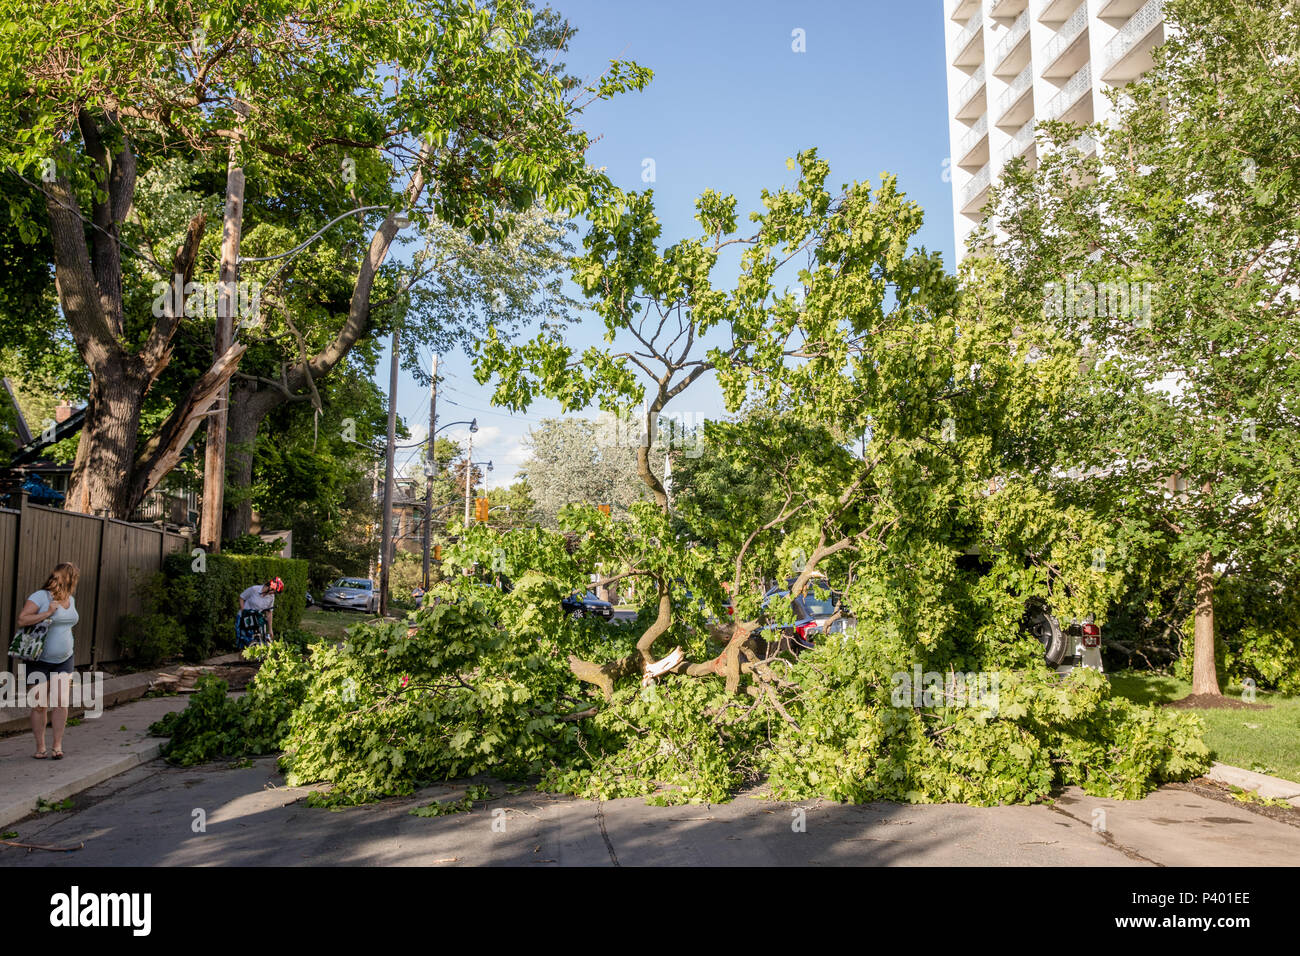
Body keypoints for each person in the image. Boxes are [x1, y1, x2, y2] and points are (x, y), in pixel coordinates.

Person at [16, 562, 80, 760]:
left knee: (61, 702)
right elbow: (22, 620)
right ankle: (40, 747)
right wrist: (46, 613)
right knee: (40, 705)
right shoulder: (40, 596)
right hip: (38, 659)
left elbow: (67, 625)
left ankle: (57, 746)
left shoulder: (71, 599)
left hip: (64, 658)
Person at [236, 577, 283, 647]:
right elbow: (241, 597)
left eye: (275, 592)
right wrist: (243, 611)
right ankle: (242, 656)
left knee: (257, 640)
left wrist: (270, 629)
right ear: (270, 586)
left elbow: (269, 612)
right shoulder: (254, 589)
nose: (273, 593)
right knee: (243, 643)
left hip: (255, 618)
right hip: (244, 617)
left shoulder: (271, 597)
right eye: (273, 591)